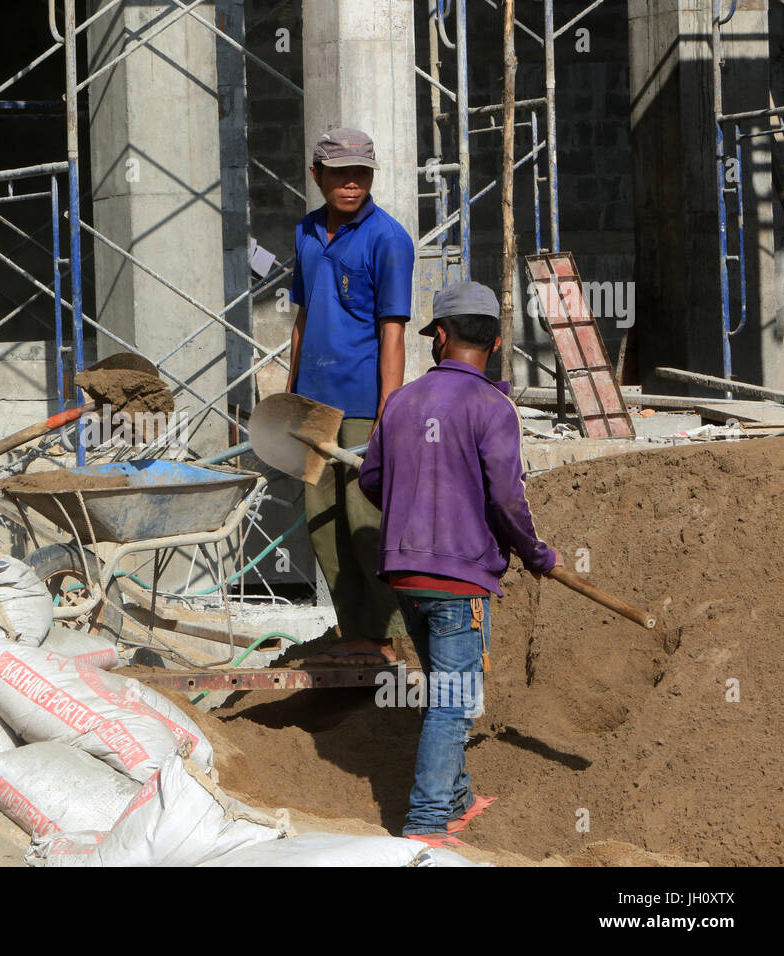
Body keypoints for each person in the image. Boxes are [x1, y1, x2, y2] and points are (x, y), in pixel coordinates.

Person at [357, 281, 561, 847]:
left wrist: (411, 516)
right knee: (454, 705)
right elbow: (506, 496)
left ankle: (458, 797)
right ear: (495, 342)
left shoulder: (399, 401)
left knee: (444, 691)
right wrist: (536, 553)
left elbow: (371, 479)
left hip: (405, 577)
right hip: (459, 579)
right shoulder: (493, 406)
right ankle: (425, 822)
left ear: (440, 337)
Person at [286, 127, 415, 665]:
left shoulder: (389, 239)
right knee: (322, 523)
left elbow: (393, 330)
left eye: (361, 173)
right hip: (314, 406)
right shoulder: (307, 232)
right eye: (340, 173)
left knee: (366, 521)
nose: (352, 183)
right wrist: (289, 393)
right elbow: (303, 317)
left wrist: (390, 407)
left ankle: (383, 636)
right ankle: (353, 631)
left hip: (364, 405)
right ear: (318, 176)